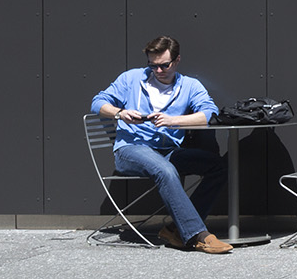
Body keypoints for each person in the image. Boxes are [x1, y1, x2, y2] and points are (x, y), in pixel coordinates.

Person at [92, 35, 231, 254]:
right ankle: (198, 235)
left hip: (167, 151)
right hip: (131, 149)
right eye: (153, 65)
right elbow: (98, 102)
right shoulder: (132, 79)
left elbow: (209, 113)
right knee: (165, 170)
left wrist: (173, 121)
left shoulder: (190, 86)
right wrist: (120, 113)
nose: (158, 71)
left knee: (219, 166)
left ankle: (176, 229)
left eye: (164, 65)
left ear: (177, 60)